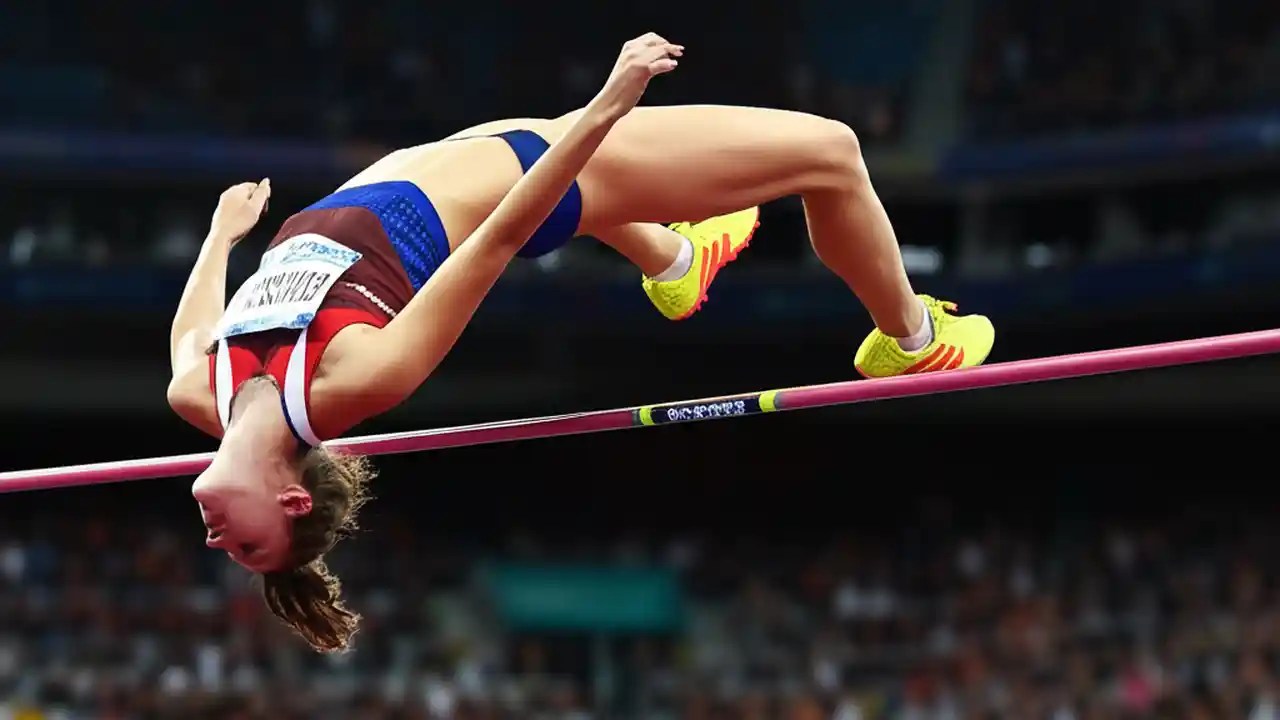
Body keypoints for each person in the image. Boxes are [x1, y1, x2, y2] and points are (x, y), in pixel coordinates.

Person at [166, 32, 995, 653]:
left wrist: (220, 236)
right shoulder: (353, 382)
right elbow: (497, 238)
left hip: (468, 156)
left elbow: (198, 324)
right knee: (832, 152)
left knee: (591, 170)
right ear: (292, 500)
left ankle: (675, 261)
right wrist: (606, 108)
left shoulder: (202, 392)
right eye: (247, 545)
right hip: (546, 177)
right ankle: (910, 336)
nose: (216, 540)